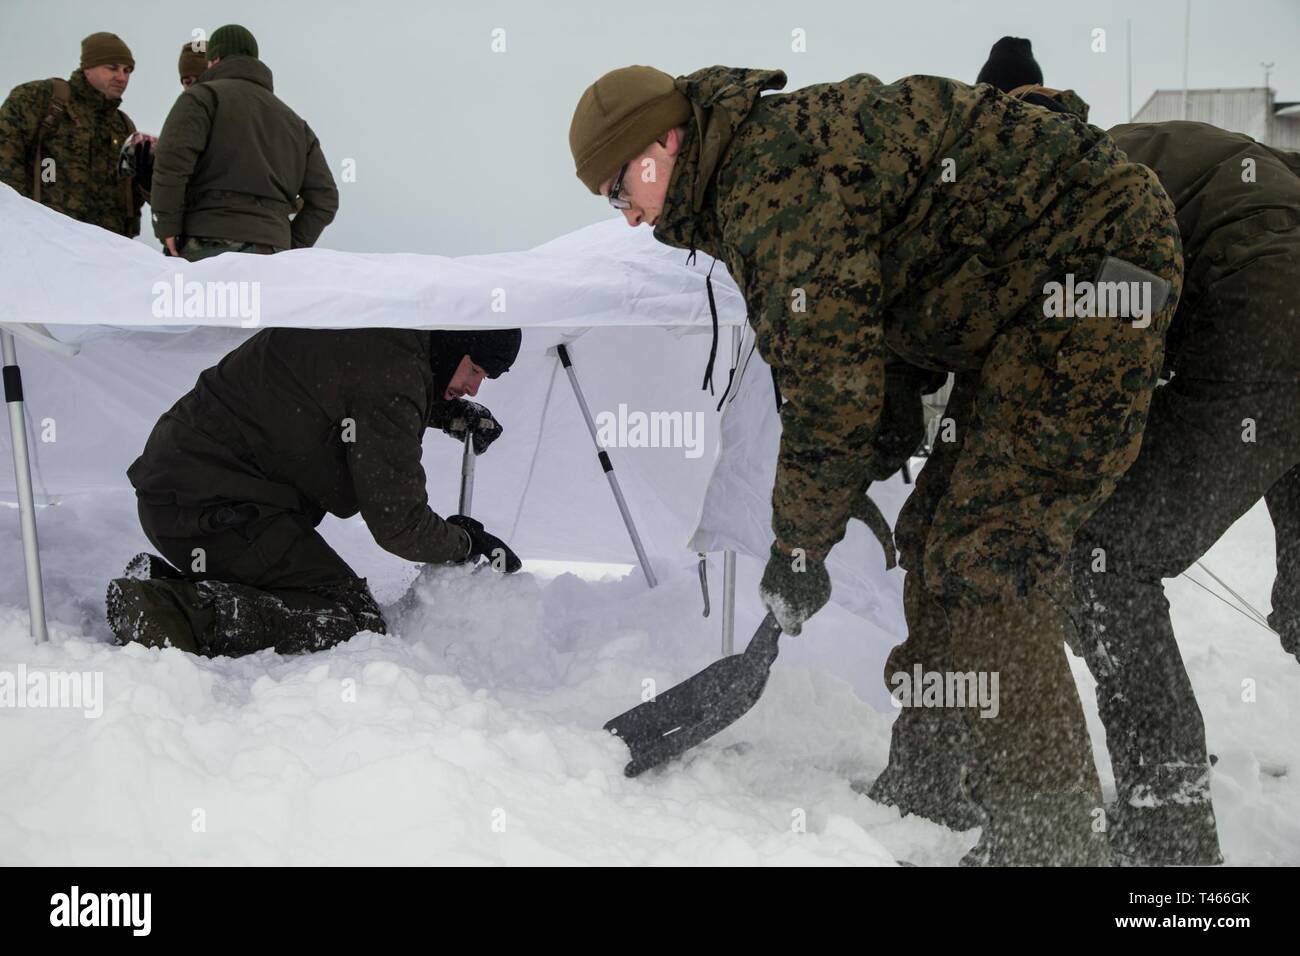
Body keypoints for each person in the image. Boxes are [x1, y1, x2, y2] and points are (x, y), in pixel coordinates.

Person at [569, 62, 1182, 864]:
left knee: (989, 551)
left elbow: (831, 383)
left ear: (666, 141)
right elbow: (880, 331)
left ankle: (1051, 836)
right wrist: (860, 468)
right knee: (934, 536)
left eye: (621, 190)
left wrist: (799, 544)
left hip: (1099, 276)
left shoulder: (773, 182)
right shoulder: (747, 176)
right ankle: (935, 780)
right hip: (1017, 308)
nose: (625, 217)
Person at [106, 328, 524, 658]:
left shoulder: (378, 328)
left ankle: (178, 583)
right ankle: (170, 609)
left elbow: (346, 388)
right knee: (351, 621)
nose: (474, 388)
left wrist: (440, 411)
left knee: (313, 592)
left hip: (187, 489)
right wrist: (464, 542)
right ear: (454, 345)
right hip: (210, 508)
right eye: (475, 370)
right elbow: (399, 523)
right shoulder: (393, 376)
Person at [150, 24, 338, 260]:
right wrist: (290, 245)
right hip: (274, 257)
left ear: (215, 59)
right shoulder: (296, 124)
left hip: (208, 245)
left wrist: (167, 227)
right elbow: (325, 198)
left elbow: (172, 165)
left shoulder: (200, 98)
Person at [0, 31, 149, 236]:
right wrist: (18, 225)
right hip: (43, 240)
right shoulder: (41, 99)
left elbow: (130, 197)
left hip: (103, 252)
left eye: (127, 70)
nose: (121, 77)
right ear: (87, 68)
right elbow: (5, 159)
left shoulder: (124, 127)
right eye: (112, 68)